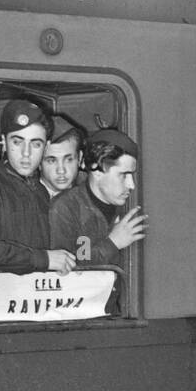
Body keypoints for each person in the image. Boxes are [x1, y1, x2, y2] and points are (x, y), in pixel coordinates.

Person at [0, 99, 76, 276]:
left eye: (36, 144)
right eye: (17, 142)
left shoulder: (42, 190)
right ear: (4, 141)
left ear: (46, 147)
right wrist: (45, 260)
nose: (26, 153)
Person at [49, 127, 146, 312]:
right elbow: (64, 274)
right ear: (97, 170)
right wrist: (113, 243)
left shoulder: (128, 205)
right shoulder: (65, 209)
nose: (131, 185)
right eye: (123, 175)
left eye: (132, 175)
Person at [39, 117, 85, 201]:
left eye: (69, 160)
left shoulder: (92, 190)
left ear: (80, 157)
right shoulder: (25, 196)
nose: (61, 170)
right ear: (38, 163)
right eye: (51, 161)